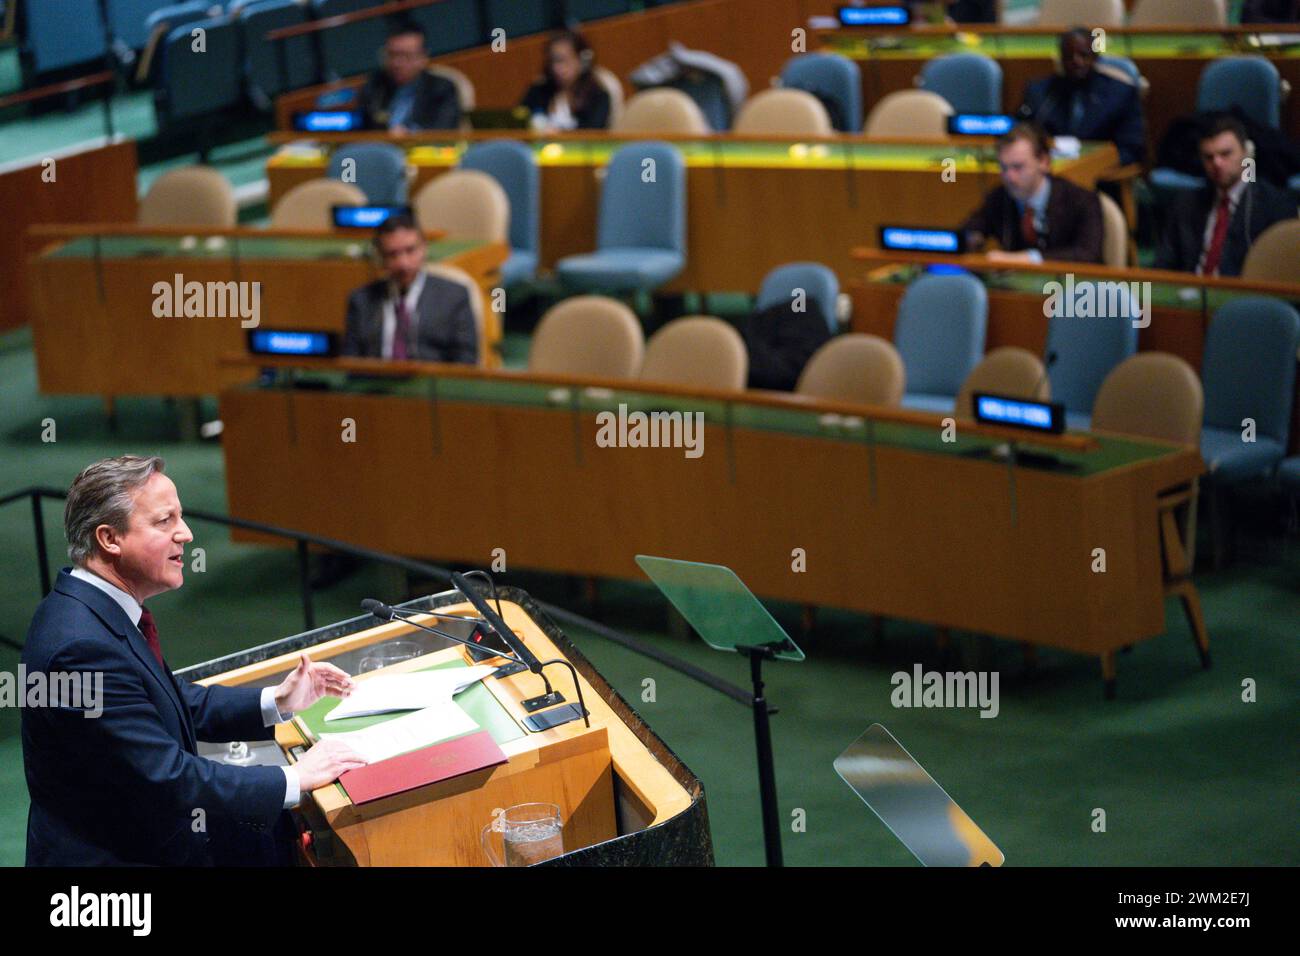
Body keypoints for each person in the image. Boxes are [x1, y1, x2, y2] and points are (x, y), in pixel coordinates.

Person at [22, 456, 367, 866]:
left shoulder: (94, 608)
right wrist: (295, 777)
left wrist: (278, 700)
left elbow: (165, 700)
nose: (185, 534)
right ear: (110, 539)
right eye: (164, 521)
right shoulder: (79, 650)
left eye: (180, 517)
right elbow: (166, 778)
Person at [1154, 113, 1299, 278]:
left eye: (1225, 154)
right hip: (1189, 294)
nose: (1217, 163)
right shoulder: (1186, 203)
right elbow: (1163, 264)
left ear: (1247, 153)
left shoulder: (1275, 206)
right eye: (1209, 157)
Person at [343, 213, 479, 363]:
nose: (403, 263)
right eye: (392, 254)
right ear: (380, 257)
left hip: (432, 383)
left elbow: (467, 361)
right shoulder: (361, 300)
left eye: (410, 250)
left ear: (424, 248)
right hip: (375, 383)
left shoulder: (454, 296)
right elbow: (350, 361)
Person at [960, 122, 1103, 263]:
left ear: (1044, 162)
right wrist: (972, 238)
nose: (1009, 177)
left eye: (1018, 167)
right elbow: (973, 227)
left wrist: (1025, 259)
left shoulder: (1082, 200)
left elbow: (1087, 254)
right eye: (1004, 168)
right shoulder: (1000, 196)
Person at [1019, 28, 1146, 167]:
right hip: (1049, 173)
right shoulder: (1040, 92)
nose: (1076, 61)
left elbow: (1132, 149)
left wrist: (1090, 164)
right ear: (1060, 59)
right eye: (1069, 56)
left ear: (1095, 57)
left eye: (1083, 55)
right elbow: (1023, 135)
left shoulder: (1120, 93)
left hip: (1102, 175)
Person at [357, 20, 460, 133]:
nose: (397, 63)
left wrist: (410, 134)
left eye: (406, 56)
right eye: (392, 54)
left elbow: (445, 129)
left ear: (423, 57)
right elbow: (362, 129)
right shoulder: (374, 85)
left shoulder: (441, 88)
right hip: (380, 149)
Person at [520, 30, 612, 131]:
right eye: (552, 61)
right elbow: (518, 122)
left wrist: (558, 134)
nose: (556, 67)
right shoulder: (538, 91)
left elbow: (592, 134)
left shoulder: (598, 97)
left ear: (582, 60)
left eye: (562, 60)